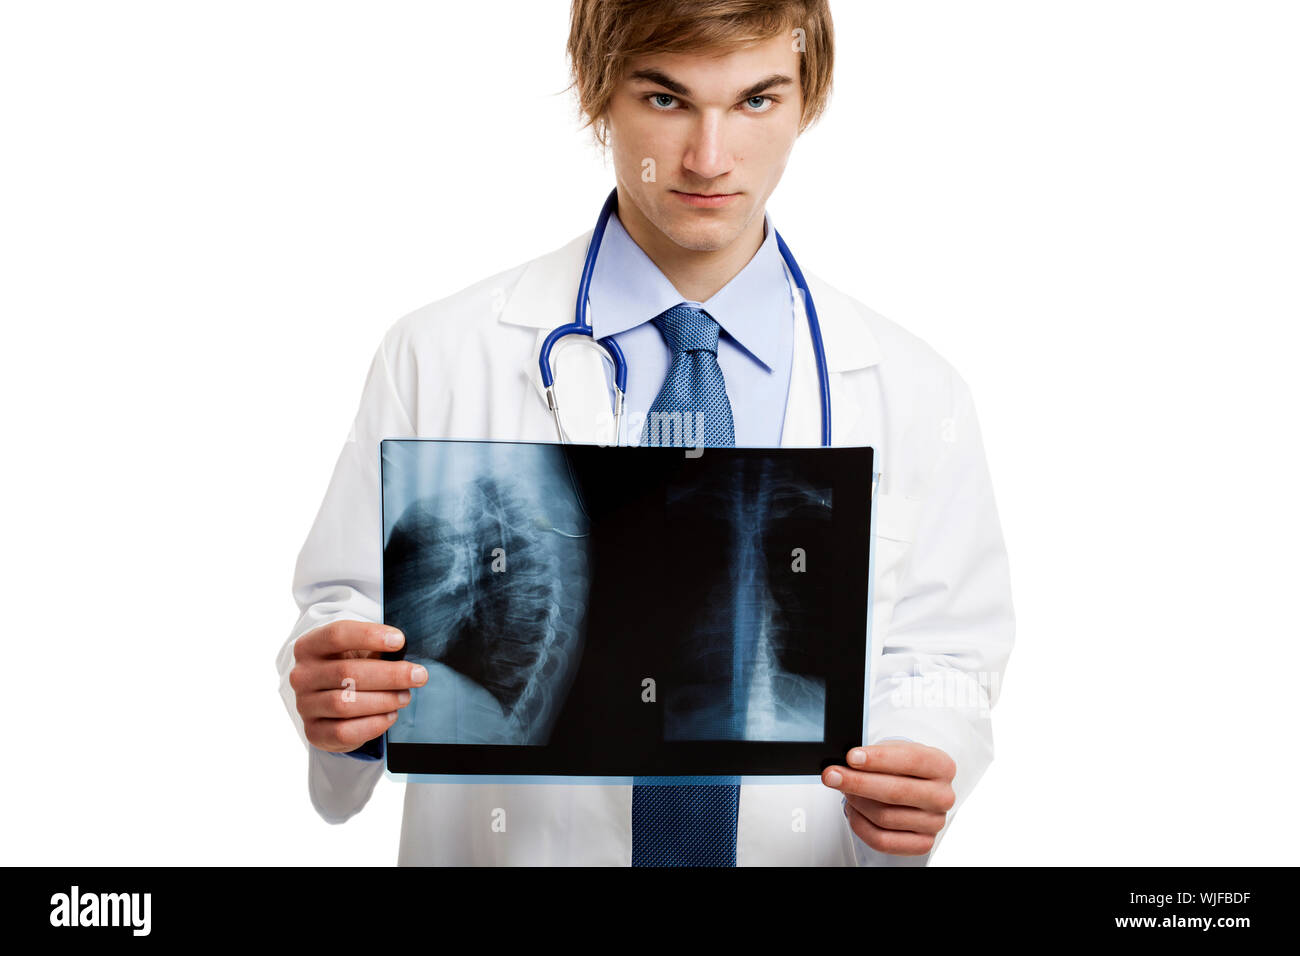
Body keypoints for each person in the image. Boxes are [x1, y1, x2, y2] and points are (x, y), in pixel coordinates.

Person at [276, 0, 1015, 866]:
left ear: (808, 98)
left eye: (755, 101)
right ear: (597, 93)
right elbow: (343, 615)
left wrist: (926, 757)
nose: (709, 157)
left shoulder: (913, 388)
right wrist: (341, 702)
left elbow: (943, 654)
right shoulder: (440, 355)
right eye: (665, 100)